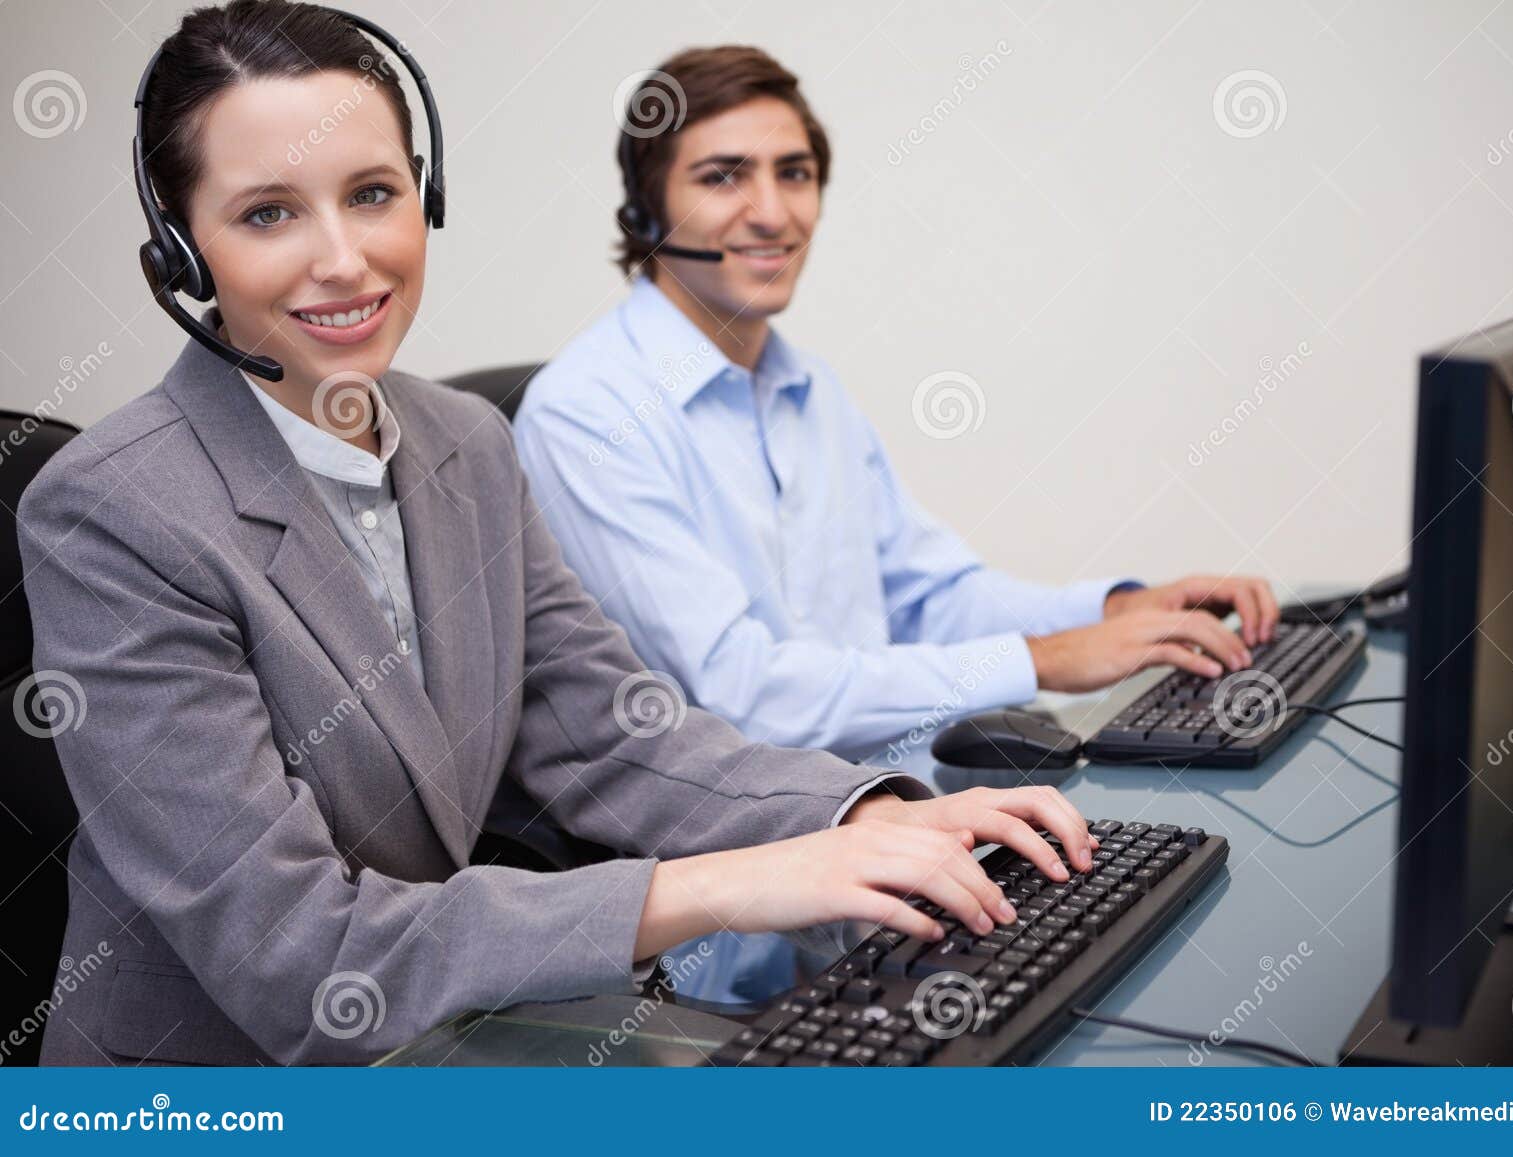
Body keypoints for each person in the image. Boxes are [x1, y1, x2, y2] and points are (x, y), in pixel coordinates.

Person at [18, 1, 1098, 1066]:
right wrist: (725, 882)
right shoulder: (113, 513)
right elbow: (299, 954)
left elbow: (614, 729)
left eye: (373, 193)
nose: (345, 258)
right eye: (267, 214)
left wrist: (857, 813)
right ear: (182, 254)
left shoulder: (468, 445)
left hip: (442, 1040)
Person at [513, 47, 1279, 1001]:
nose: (773, 210)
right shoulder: (587, 413)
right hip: (749, 937)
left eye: (794, 173)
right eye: (723, 176)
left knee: (1187, 943)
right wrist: (1045, 659)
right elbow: (747, 694)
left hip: (915, 846)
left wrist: (1119, 610)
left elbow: (931, 590)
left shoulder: (804, 385)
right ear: (645, 212)